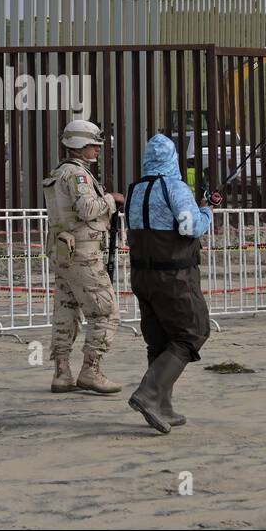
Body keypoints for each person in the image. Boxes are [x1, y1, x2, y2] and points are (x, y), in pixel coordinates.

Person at [124, 133, 214, 433]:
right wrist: (207, 212)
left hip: (142, 275)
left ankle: (164, 406)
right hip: (173, 276)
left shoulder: (135, 190)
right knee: (193, 333)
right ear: (173, 158)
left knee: (159, 339)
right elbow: (190, 227)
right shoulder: (174, 187)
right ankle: (148, 394)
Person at [42, 119, 125, 395]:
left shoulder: (59, 172)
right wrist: (112, 199)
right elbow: (87, 208)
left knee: (66, 310)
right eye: (93, 145)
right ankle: (91, 370)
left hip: (63, 252)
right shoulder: (78, 175)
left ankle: (61, 372)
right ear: (79, 146)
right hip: (83, 254)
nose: (97, 150)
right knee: (106, 311)